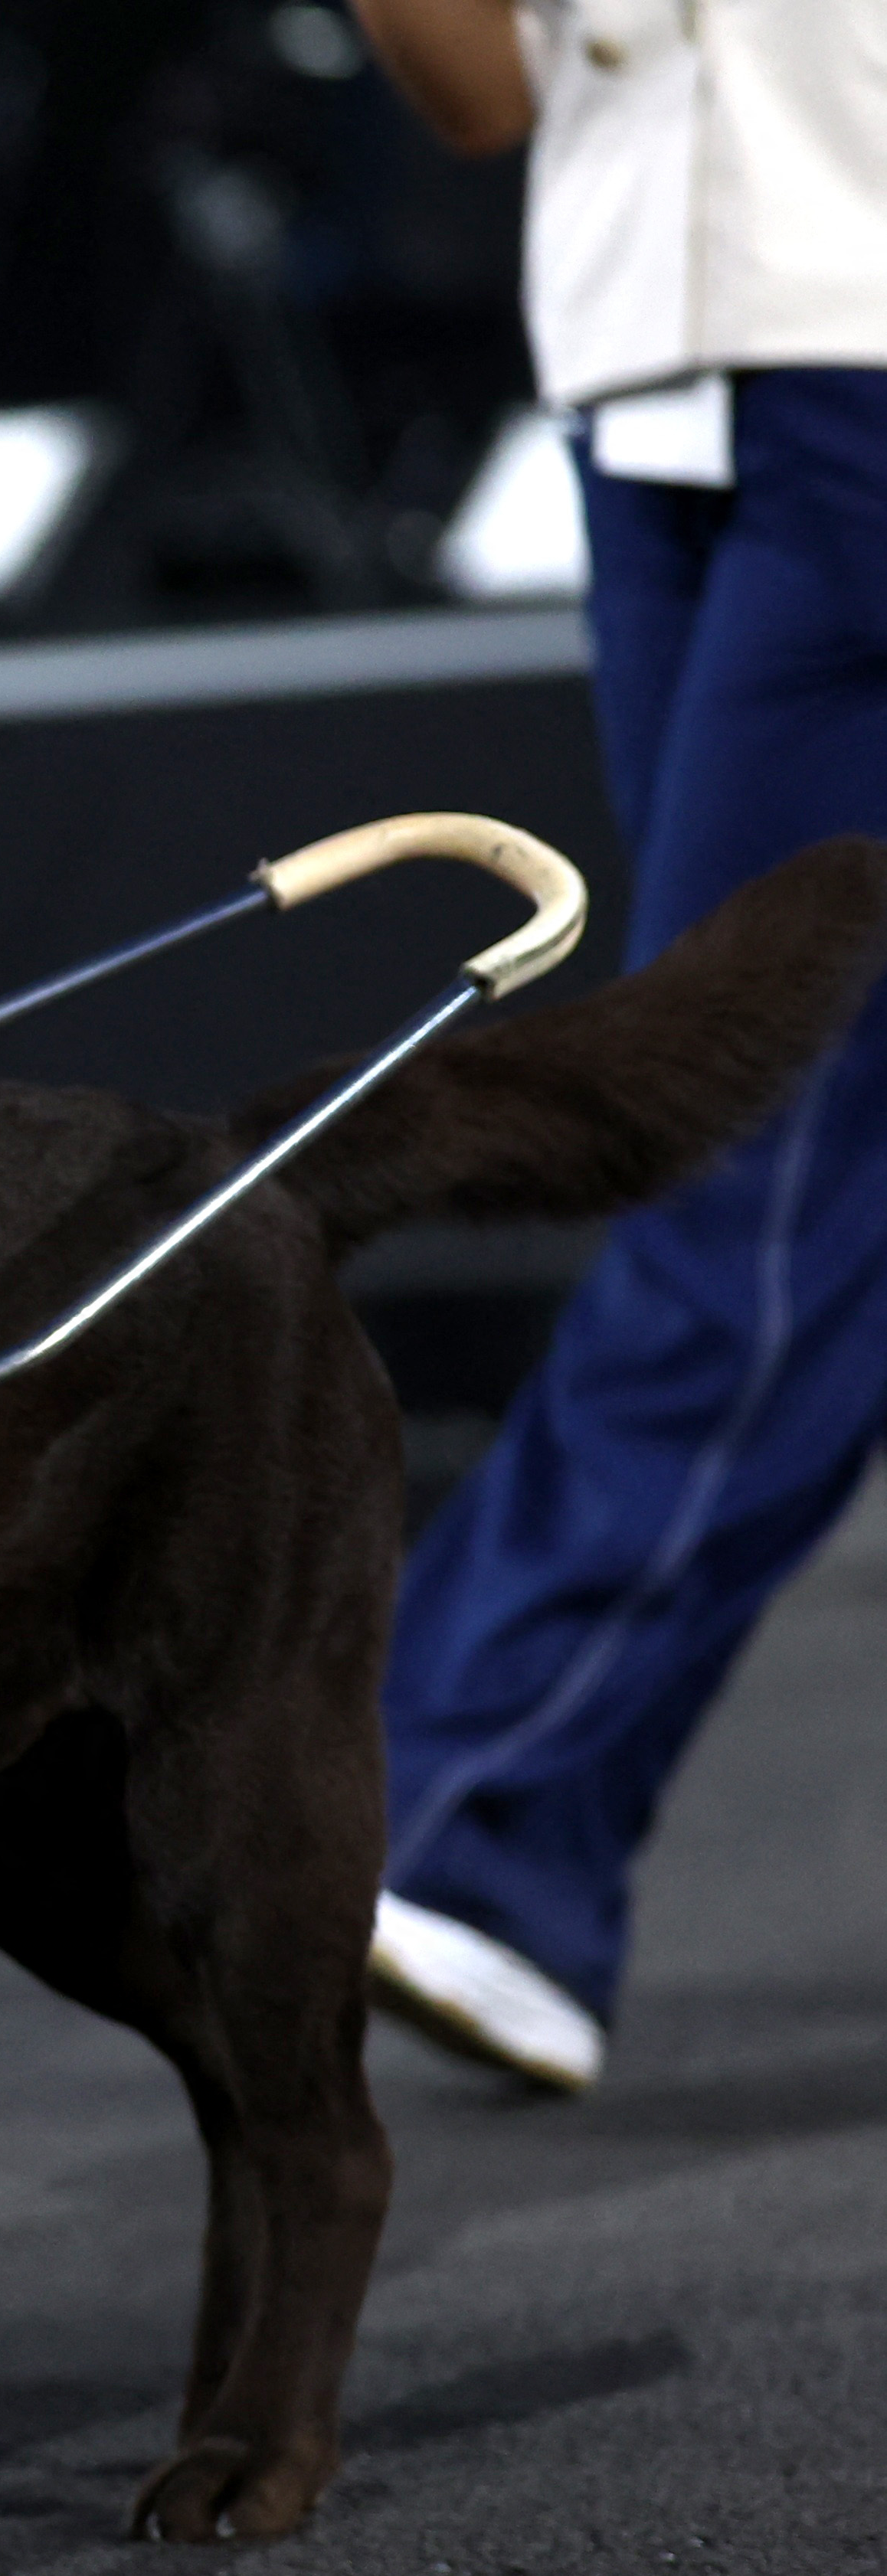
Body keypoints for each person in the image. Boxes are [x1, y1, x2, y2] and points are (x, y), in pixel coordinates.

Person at [349, 0, 887, 2089]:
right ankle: (485, 1823)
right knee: (790, 1131)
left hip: (852, 358)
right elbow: (482, 91)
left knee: (750, 1119)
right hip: (651, 369)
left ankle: (472, 1806)